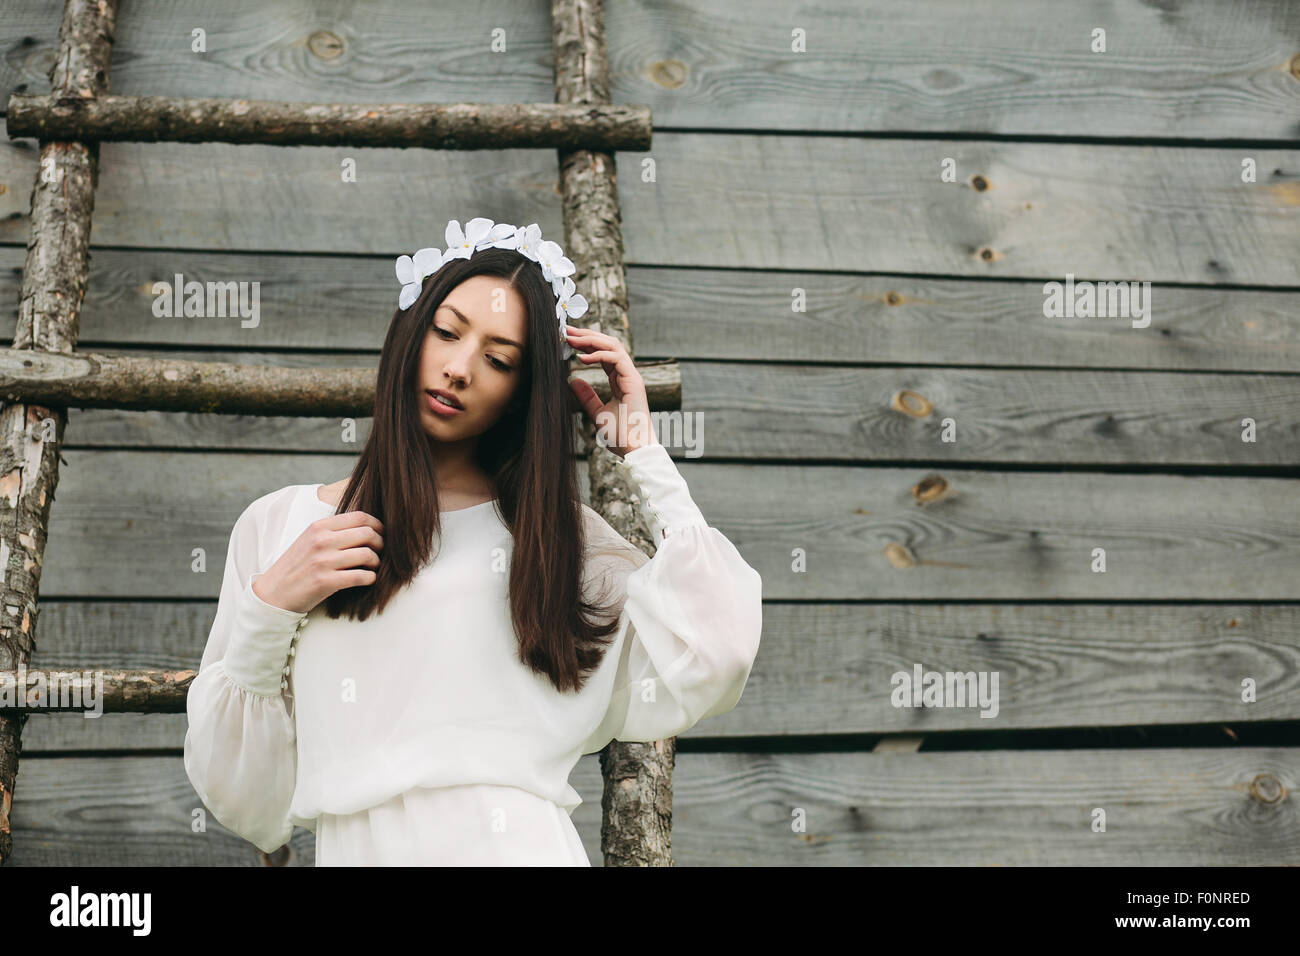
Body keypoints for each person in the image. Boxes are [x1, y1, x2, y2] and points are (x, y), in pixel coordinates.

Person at [183, 217, 763, 866]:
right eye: (447, 332)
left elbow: (721, 651)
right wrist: (269, 610)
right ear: (412, 333)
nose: (459, 368)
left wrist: (645, 455)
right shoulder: (283, 529)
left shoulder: (560, 550)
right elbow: (245, 797)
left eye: (498, 359)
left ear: (523, 394)